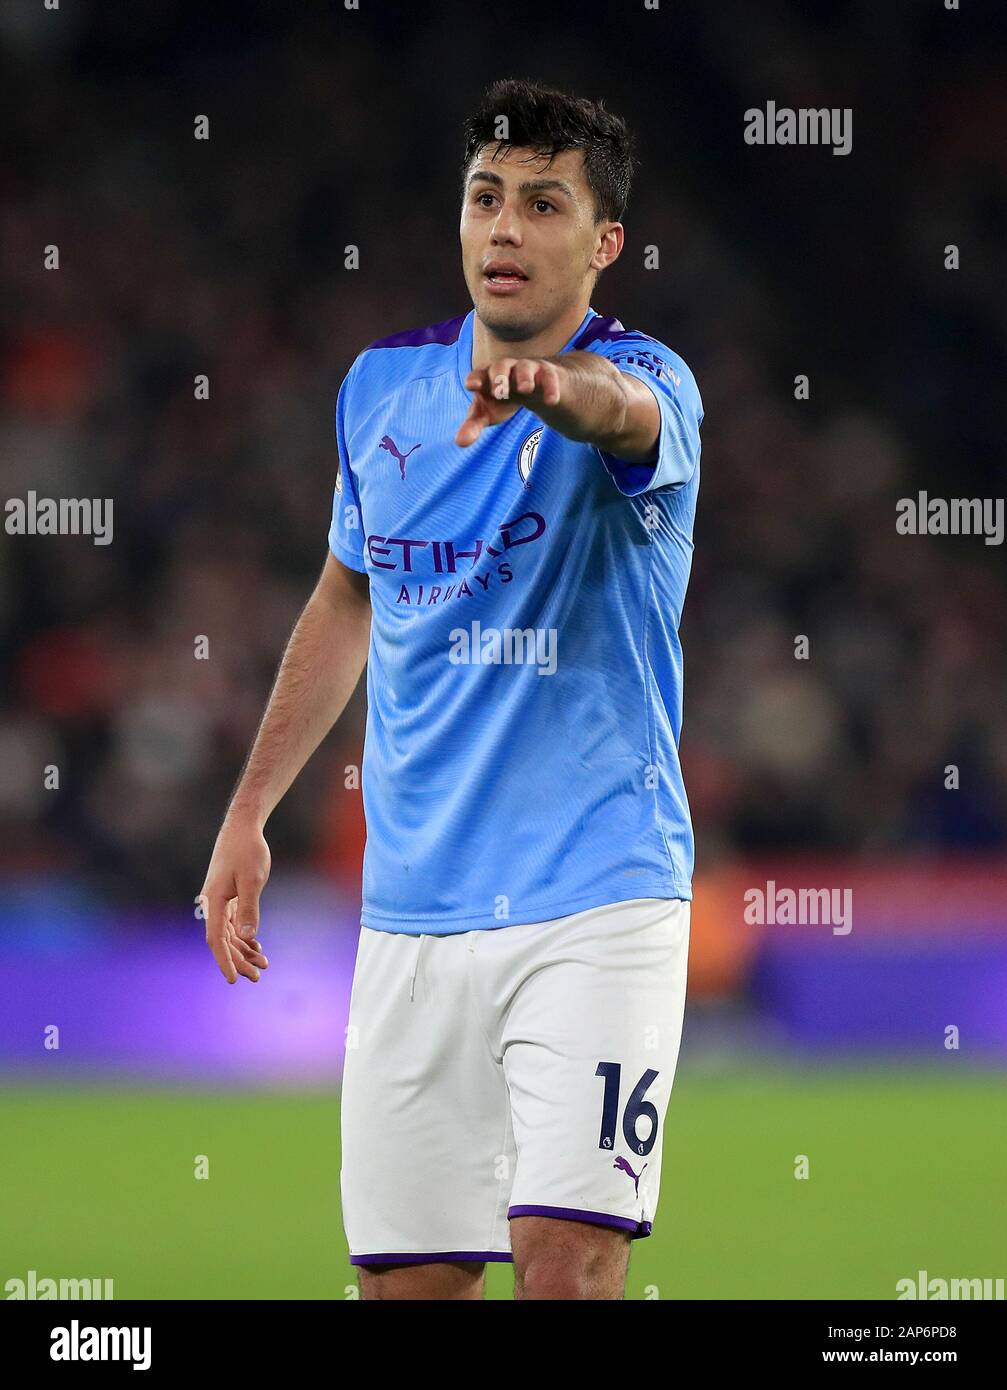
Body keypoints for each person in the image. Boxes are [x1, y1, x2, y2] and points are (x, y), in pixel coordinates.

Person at [199, 77, 703, 1300]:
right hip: (410, 917)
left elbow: (618, 413)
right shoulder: (379, 390)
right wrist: (249, 810)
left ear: (602, 243)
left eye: (542, 204)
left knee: (565, 1268)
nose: (505, 230)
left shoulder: (653, 383)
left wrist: (543, 389)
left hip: (596, 900)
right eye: (486, 198)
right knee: (406, 1288)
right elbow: (345, 598)